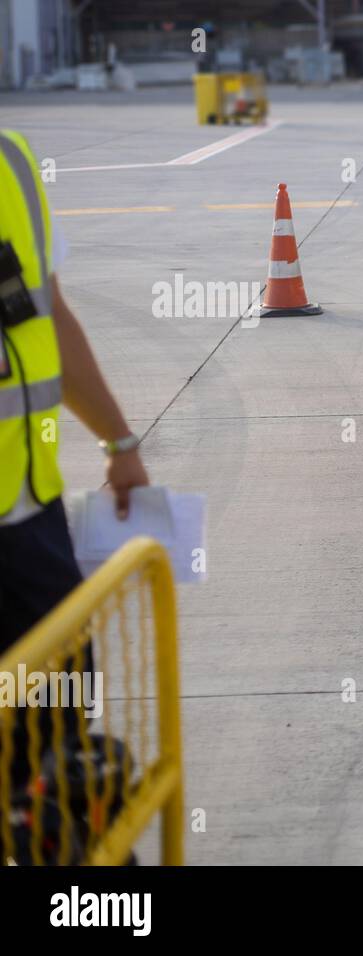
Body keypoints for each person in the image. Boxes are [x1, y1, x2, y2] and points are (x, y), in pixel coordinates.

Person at [0, 129, 149, 780]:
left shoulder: (11, 163)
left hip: (29, 513)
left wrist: (118, 441)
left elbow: (46, 313)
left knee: (54, 740)